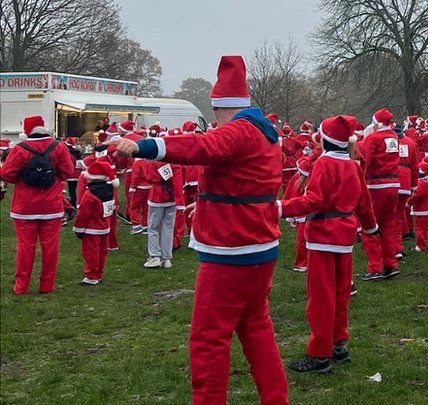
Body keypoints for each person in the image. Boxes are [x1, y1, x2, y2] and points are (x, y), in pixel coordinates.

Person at [114, 55, 288, 404]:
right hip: (259, 247)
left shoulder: (237, 131)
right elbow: (245, 183)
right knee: (256, 329)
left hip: (231, 252)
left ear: (219, 105)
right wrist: (205, 203)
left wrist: (147, 146)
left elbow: (204, 147)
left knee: (209, 340)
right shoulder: (263, 134)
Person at [279, 115, 379, 374]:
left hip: (323, 236)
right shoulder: (354, 166)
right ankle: (338, 344)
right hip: (345, 237)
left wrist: (280, 208)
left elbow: (313, 200)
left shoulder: (323, 164)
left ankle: (319, 354)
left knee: (321, 298)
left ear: (323, 139)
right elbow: (364, 202)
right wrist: (370, 227)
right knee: (340, 293)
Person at [1, 115, 75, 295]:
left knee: (25, 247)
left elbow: (6, 174)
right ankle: (47, 285)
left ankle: (21, 286)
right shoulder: (58, 146)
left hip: (24, 207)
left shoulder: (20, 148)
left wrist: (23, 177)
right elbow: (67, 172)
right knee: (50, 247)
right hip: (51, 206)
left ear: (27, 130)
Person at [358, 108, 403, 280]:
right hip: (393, 184)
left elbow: (365, 161)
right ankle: (390, 264)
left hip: (376, 186)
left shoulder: (373, 138)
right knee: (388, 227)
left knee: (369, 227)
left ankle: (375, 267)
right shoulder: (393, 137)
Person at [73, 159, 118, 285]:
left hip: (91, 229)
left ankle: (91, 276)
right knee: (102, 252)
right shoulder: (110, 191)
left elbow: (83, 214)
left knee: (91, 252)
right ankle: (99, 273)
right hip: (105, 226)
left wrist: (78, 228)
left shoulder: (89, 194)